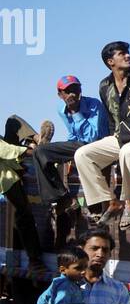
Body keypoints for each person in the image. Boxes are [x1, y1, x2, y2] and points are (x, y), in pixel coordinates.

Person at [73, 42, 130, 229]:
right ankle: (111, 201)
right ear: (110, 61)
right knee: (82, 154)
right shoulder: (104, 86)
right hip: (120, 136)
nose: (128, 56)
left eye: (127, 52)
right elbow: (112, 118)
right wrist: (111, 140)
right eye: (122, 54)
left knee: (128, 151)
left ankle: (129, 202)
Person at [32, 76, 110, 221]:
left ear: (80, 90)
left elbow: (92, 137)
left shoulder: (94, 105)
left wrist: (75, 112)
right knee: (40, 152)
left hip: (97, 145)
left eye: (75, 89)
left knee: (79, 151)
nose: (72, 94)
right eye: (67, 91)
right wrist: (62, 152)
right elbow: (73, 133)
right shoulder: (61, 109)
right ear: (60, 95)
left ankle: (94, 207)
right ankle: (62, 198)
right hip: (78, 144)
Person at [0, 134, 43, 264]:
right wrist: (31, 151)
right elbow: (5, 151)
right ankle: (34, 259)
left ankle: (24, 258)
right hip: (6, 180)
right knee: (24, 215)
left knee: (20, 217)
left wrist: (18, 166)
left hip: (8, 178)